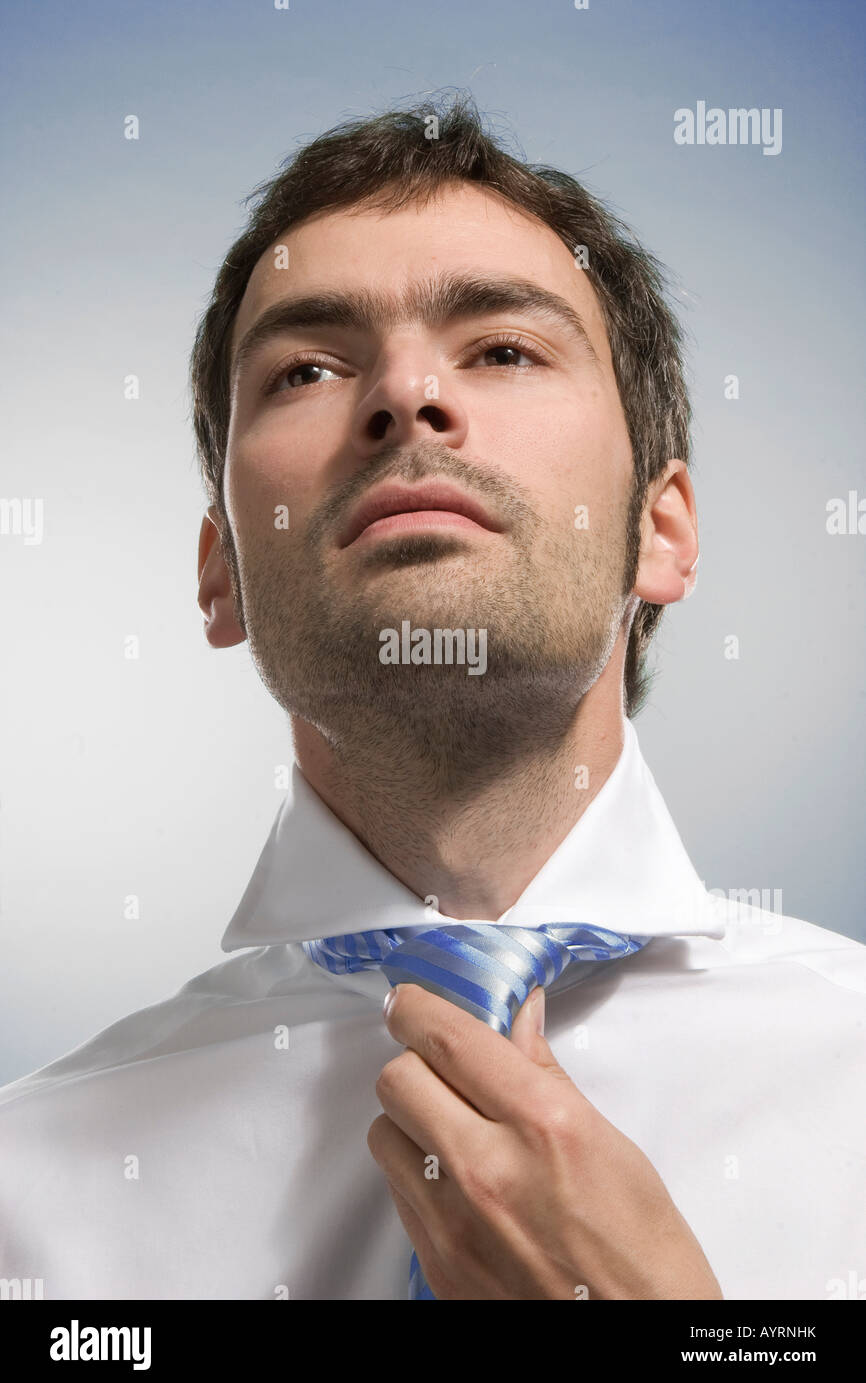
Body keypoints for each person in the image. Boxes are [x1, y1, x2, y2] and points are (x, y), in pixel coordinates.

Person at [1, 92, 863, 1302]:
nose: (405, 396)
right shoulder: (23, 1197)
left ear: (658, 530)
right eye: (305, 367)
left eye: (503, 348)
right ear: (221, 575)